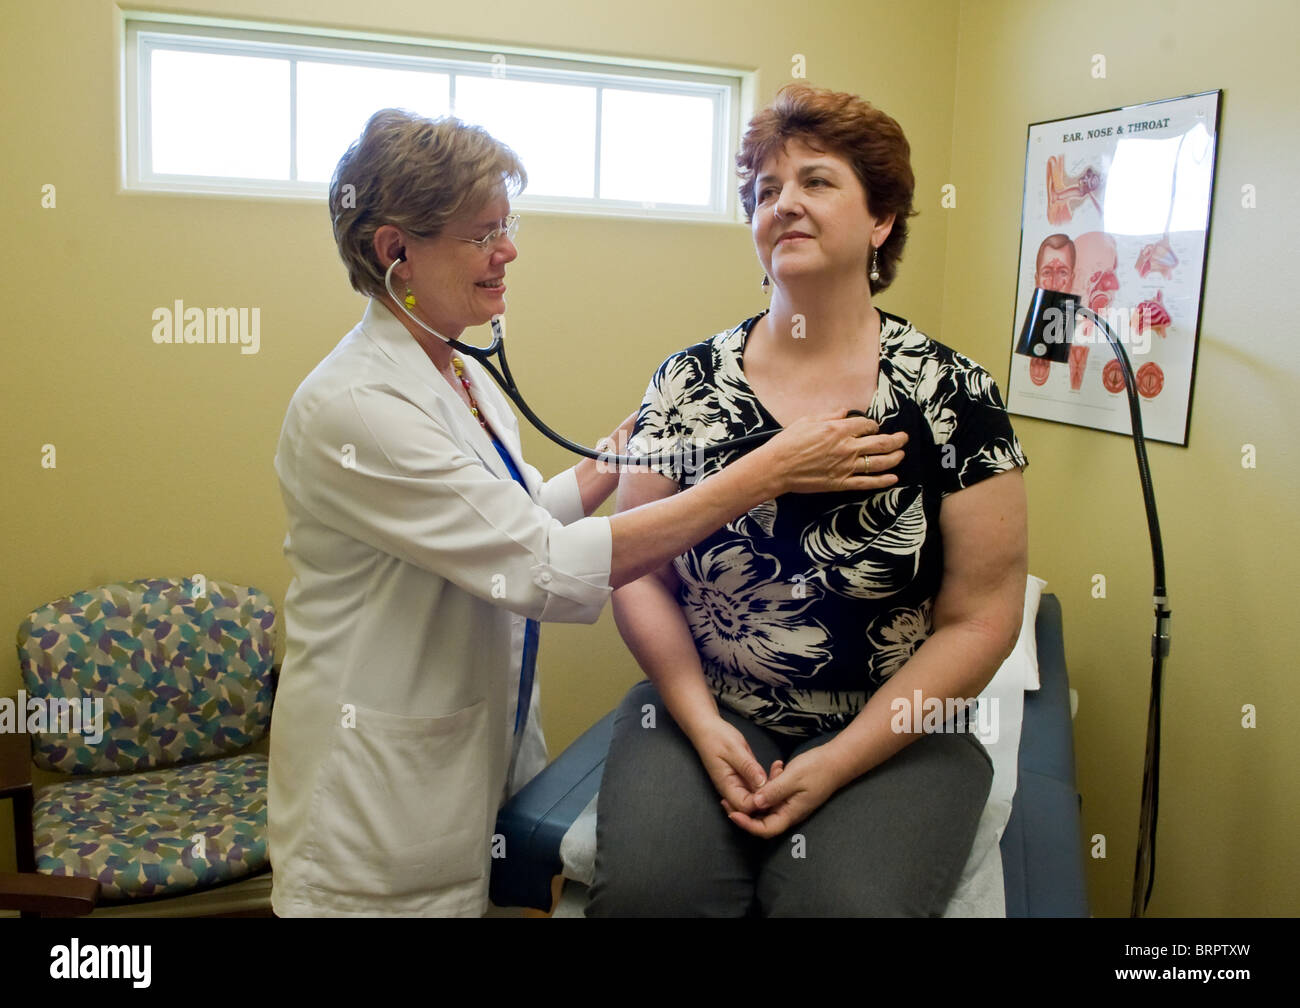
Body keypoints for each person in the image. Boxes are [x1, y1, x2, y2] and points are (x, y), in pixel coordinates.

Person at [268, 108, 906, 917]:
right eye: (483, 234)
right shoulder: (358, 405)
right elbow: (538, 566)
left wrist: (609, 465)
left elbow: (513, 516)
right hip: (374, 801)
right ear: (397, 252)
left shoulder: (455, 369)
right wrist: (764, 473)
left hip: (463, 757)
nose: (509, 251)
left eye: (508, 225)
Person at [587, 85, 1030, 917]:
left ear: (881, 221)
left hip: (898, 725)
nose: (783, 203)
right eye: (763, 192)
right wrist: (701, 723)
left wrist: (839, 760)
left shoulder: (953, 393)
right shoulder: (687, 382)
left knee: (841, 906)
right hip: (711, 701)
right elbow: (636, 569)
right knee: (652, 896)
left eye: (817, 182)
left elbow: (983, 616)